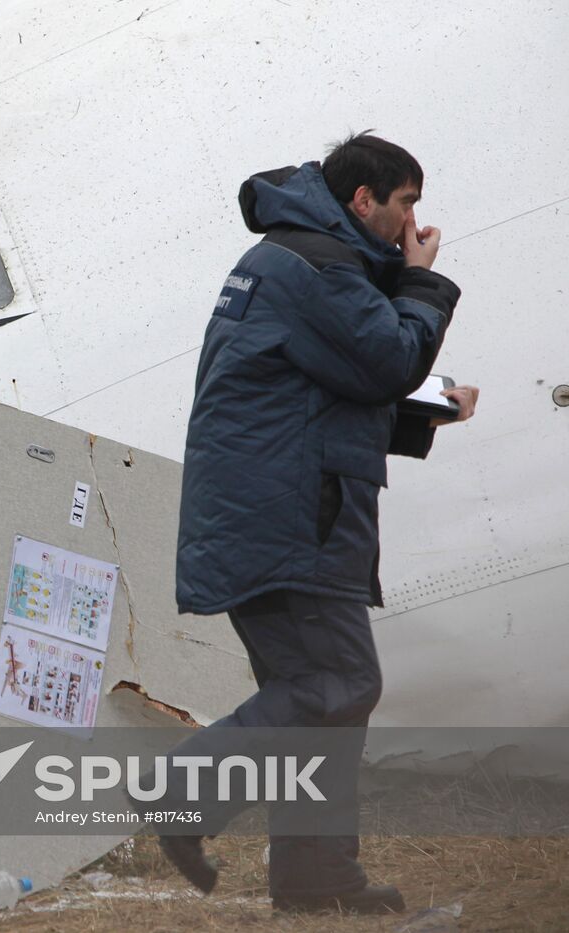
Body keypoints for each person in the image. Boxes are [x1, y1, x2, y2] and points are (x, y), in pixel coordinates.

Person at [150, 133, 479, 913]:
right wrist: (419, 282)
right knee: (338, 682)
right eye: (404, 205)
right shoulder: (317, 267)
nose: (412, 224)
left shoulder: (299, 261)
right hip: (291, 522)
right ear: (362, 201)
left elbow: (324, 391)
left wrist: (423, 413)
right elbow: (388, 358)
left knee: (322, 697)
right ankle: (181, 794)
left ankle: (316, 879)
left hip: (277, 514)